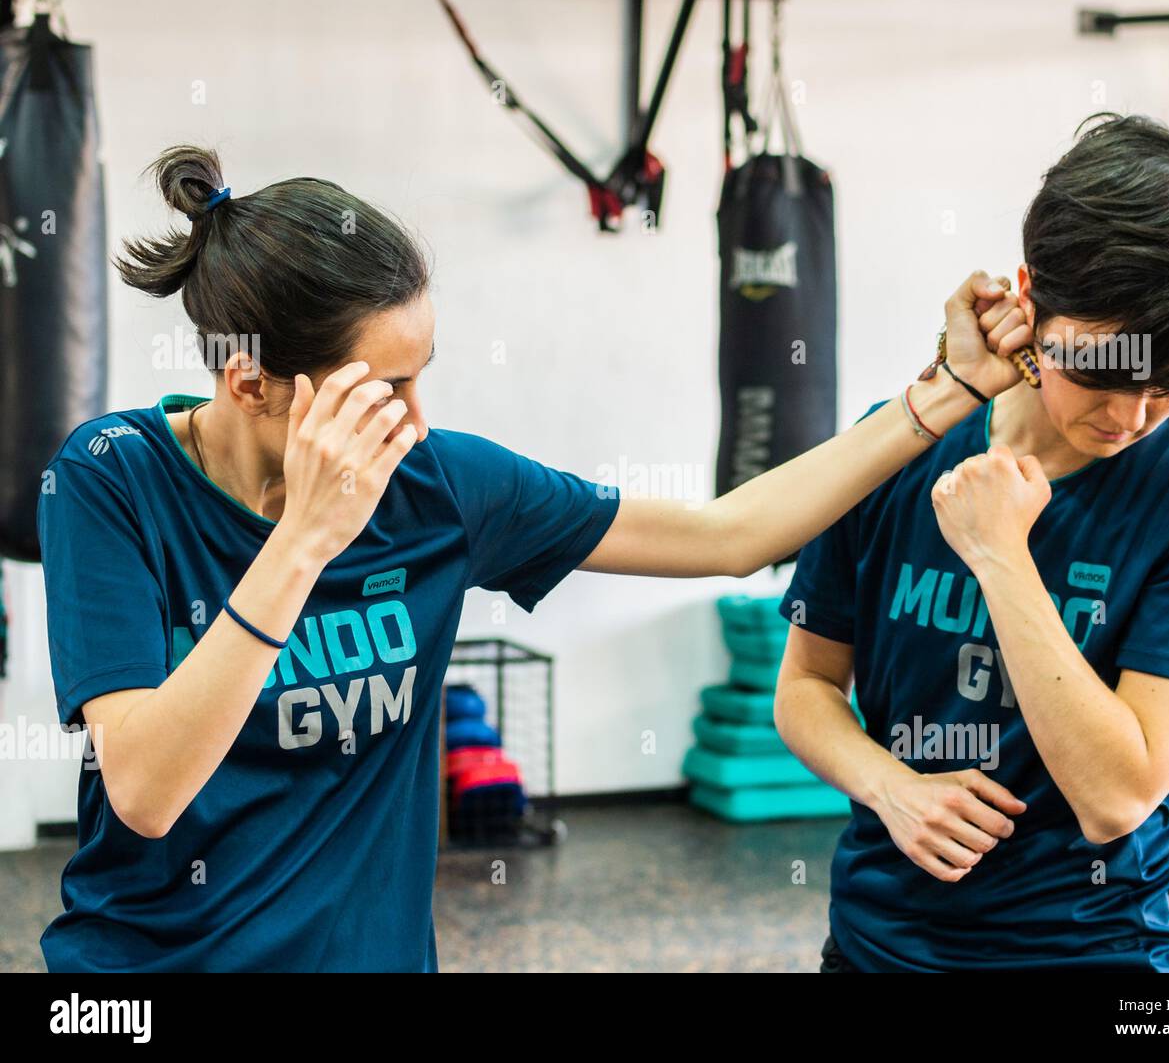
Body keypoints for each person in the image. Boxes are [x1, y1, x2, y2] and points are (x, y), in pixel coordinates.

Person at [38, 143, 1022, 973]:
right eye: (383, 391)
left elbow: (732, 535)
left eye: (423, 380)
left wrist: (946, 390)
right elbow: (147, 787)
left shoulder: (437, 489)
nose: (416, 423)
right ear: (250, 383)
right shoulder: (111, 480)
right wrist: (305, 539)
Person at [776, 113, 1169, 972]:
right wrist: (887, 784)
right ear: (1028, 300)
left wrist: (1000, 553)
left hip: (1092, 952)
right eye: (1098, 371)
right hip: (877, 941)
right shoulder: (900, 448)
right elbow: (807, 687)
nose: (1126, 419)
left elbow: (1118, 796)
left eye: (1168, 388)